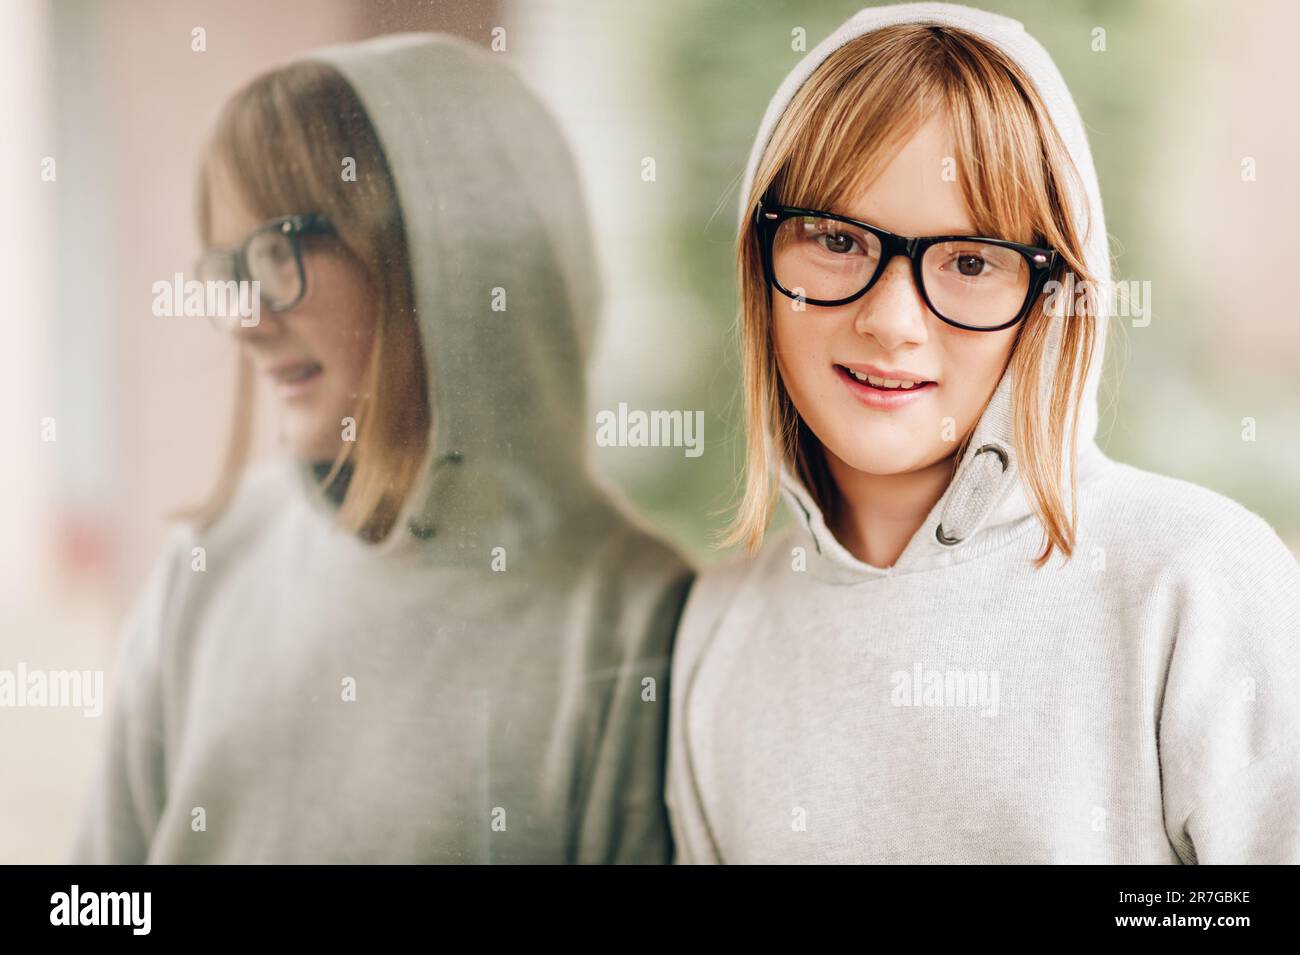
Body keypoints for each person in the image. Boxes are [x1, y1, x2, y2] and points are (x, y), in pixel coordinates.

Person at [666, 2, 1300, 863]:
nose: (891, 320)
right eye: (836, 239)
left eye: (970, 261)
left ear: (1051, 297)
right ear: (760, 261)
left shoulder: (1197, 582)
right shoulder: (720, 630)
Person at [71, 33, 692, 863]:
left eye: (280, 250)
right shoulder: (210, 563)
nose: (248, 321)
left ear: (454, 253)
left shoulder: (634, 622)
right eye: (231, 266)